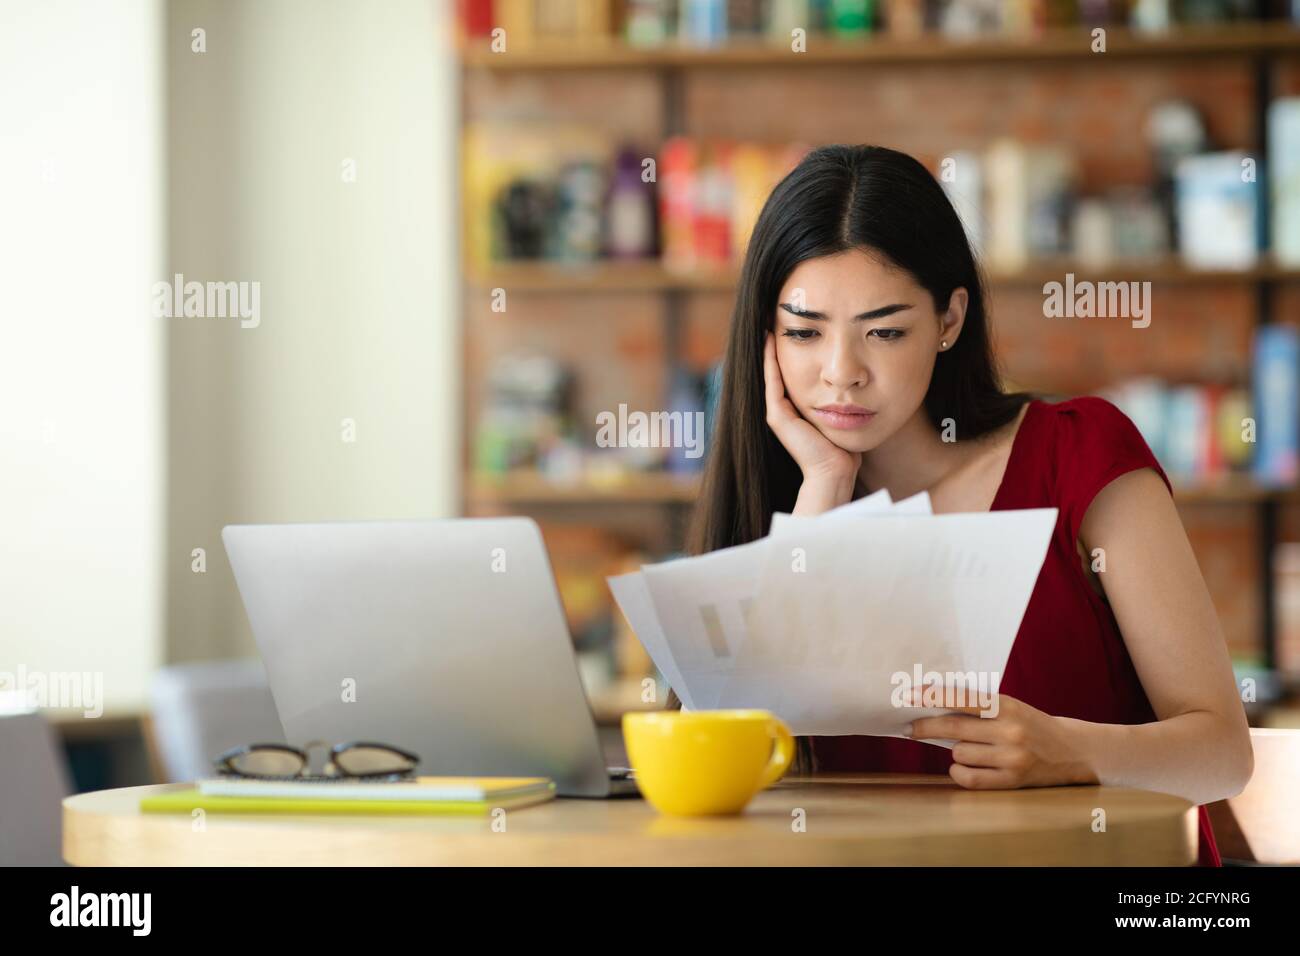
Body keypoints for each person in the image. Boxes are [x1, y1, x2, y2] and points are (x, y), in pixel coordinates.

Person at [678, 144, 1253, 866]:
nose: (841, 374)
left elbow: (1223, 755)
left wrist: (1071, 751)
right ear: (765, 337)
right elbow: (720, 778)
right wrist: (823, 489)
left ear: (950, 319)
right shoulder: (778, 507)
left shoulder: (1076, 456)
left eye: (884, 332)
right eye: (804, 331)